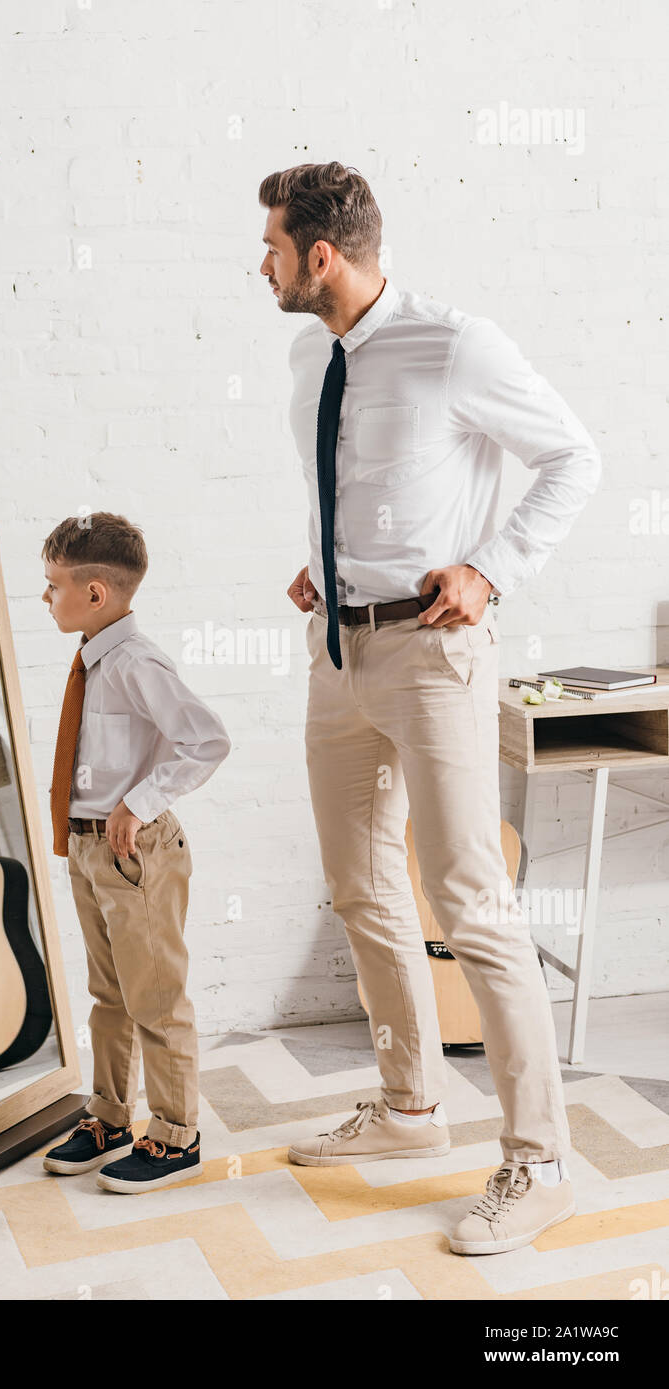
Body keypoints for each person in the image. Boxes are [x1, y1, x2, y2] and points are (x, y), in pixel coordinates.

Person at [259, 162, 600, 1254]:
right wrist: (325, 565)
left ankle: (539, 1160)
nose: (258, 262)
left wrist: (489, 569)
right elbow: (351, 488)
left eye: (270, 244)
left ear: (323, 254)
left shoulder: (456, 345)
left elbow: (573, 458)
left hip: (436, 653)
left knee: (470, 902)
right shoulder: (312, 352)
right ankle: (411, 1109)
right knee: (362, 887)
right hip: (339, 653)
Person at [40, 512, 231, 1192]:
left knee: (156, 998)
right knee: (109, 994)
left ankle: (177, 1135)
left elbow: (206, 740)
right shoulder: (95, 659)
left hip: (134, 851)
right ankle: (110, 1115)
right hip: (90, 849)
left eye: (53, 584)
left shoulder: (135, 663)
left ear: (95, 593)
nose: (45, 597)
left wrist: (137, 803)